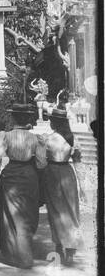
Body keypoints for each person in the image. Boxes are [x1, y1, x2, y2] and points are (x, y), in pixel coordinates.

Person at [0, 103, 45, 269]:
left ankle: (17, 253)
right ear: (28, 118)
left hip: (12, 174)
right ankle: (24, 251)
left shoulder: (5, 136)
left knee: (13, 215)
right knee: (28, 214)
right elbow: (42, 164)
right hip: (29, 175)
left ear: (13, 117)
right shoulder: (36, 138)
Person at [42, 106, 81, 266]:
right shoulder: (72, 138)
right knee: (71, 211)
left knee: (55, 211)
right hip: (67, 173)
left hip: (51, 173)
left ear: (54, 122)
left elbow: (41, 158)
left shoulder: (48, 139)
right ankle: (71, 250)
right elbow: (78, 160)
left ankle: (59, 247)